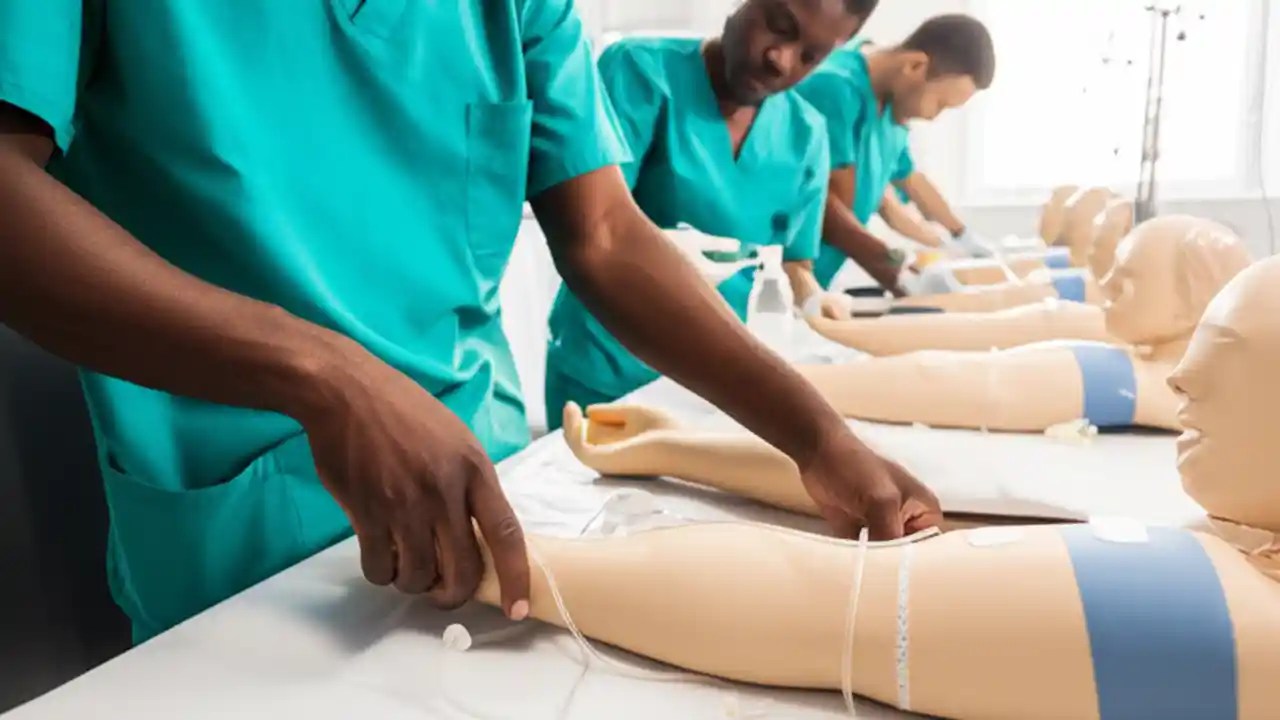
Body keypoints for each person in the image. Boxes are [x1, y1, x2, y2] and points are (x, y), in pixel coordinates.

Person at [0, 0, 938, 641]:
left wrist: (812, 433)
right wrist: (326, 375)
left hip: (488, 489)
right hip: (241, 526)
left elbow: (605, 231)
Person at [472, 253, 1280, 719]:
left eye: (1230, 354)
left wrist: (508, 561)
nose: (1182, 381)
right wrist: (685, 447)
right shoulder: (1249, 554)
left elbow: (829, 599)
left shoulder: (1228, 611)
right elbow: (949, 527)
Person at [544, 0, 878, 425]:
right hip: (611, 366)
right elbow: (599, 225)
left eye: (810, 57)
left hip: (723, 383)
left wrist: (814, 299)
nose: (781, 59)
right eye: (778, 26)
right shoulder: (641, 72)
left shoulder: (806, 131)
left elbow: (793, 261)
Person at [796, 217, 1252, 432]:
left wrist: (771, 380)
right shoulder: (1139, 357)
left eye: (1129, 280)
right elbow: (986, 333)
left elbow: (957, 377)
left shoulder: (1128, 379)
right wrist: (852, 329)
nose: (1105, 281)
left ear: (1186, 309)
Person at [794, 16, 996, 293]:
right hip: (783, 278)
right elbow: (831, 210)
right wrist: (897, 271)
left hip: (819, 279)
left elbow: (907, 178)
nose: (932, 116)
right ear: (915, 66)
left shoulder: (892, 110)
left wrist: (960, 234)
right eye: (939, 103)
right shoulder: (835, 88)